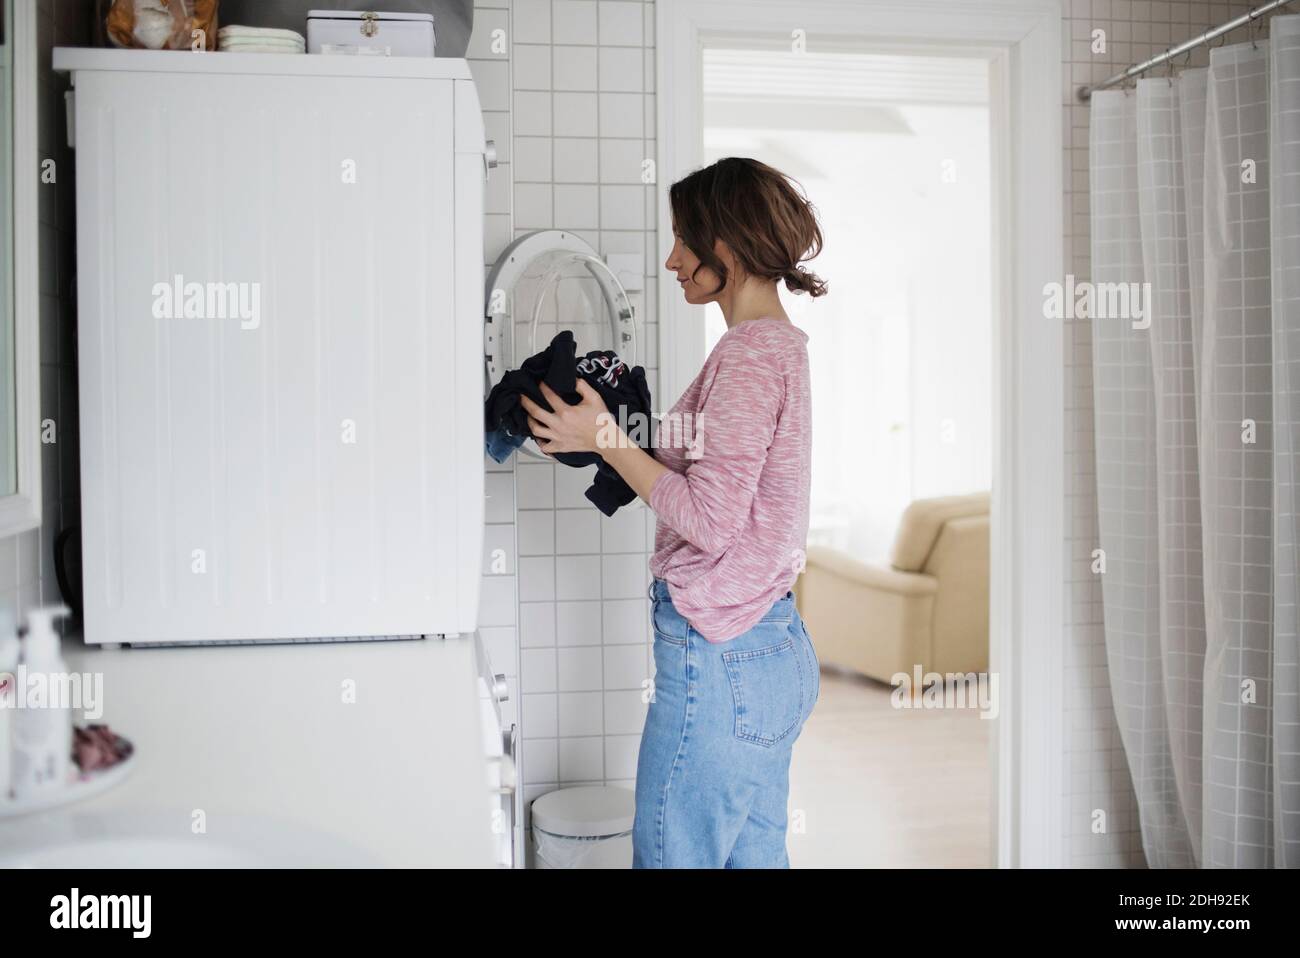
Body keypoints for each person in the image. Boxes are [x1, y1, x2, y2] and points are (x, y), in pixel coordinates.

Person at [519, 156, 826, 868]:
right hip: (773, 648)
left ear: (726, 248)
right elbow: (726, 470)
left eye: (685, 241)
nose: (671, 259)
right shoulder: (780, 349)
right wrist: (614, 425)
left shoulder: (748, 357)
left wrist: (604, 437)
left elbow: (712, 519)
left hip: (722, 660)